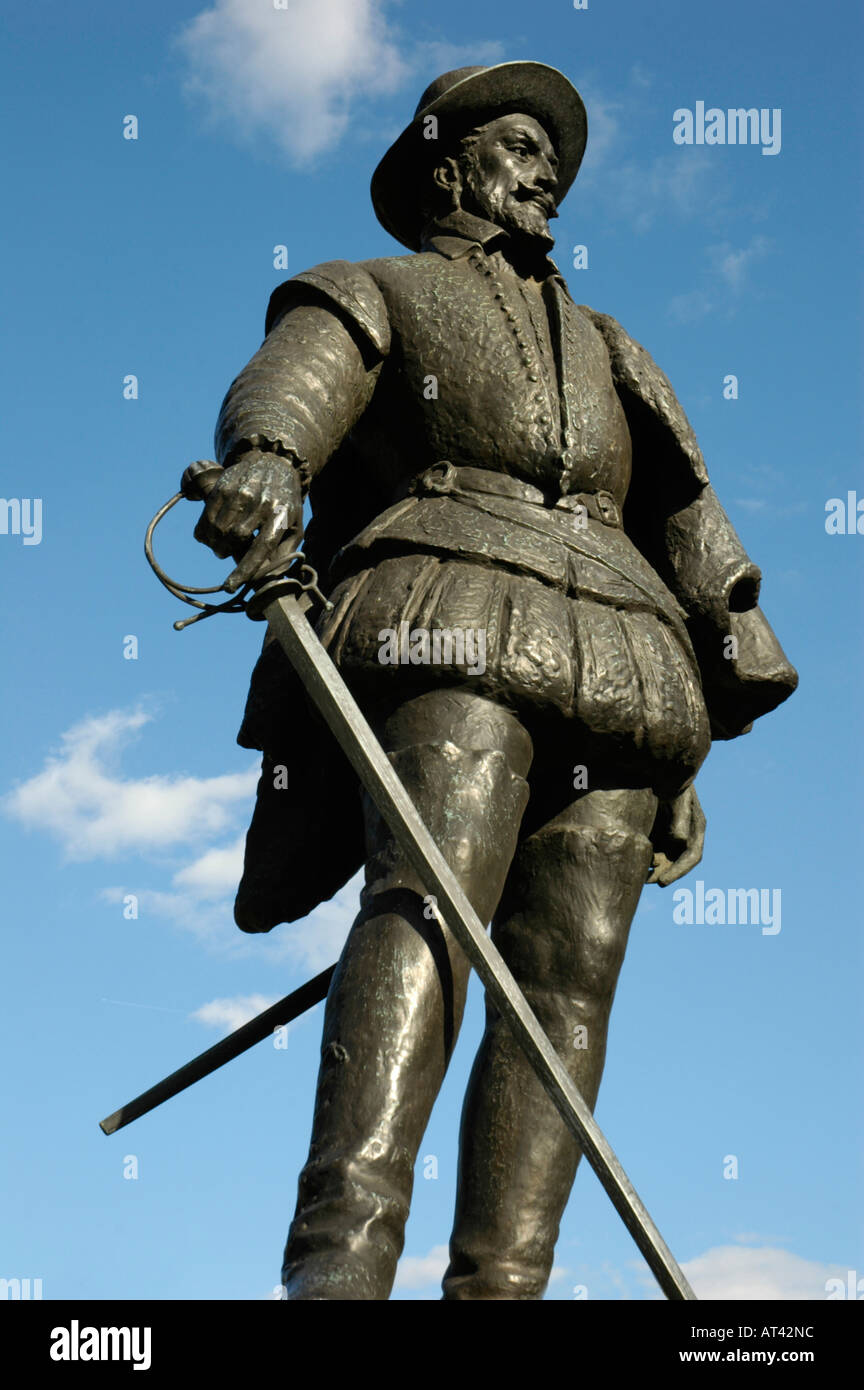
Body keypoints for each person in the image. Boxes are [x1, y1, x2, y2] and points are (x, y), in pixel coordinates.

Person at [192, 63, 797, 1300]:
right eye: (519, 146)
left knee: (571, 974)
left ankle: (503, 1291)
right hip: (448, 611)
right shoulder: (381, 290)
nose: (545, 173)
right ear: (447, 164)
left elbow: (683, 514)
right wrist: (265, 459)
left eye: (551, 158)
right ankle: (340, 1274)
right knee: (427, 907)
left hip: (625, 661)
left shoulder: (612, 346)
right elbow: (297, 380)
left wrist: (705, 719)